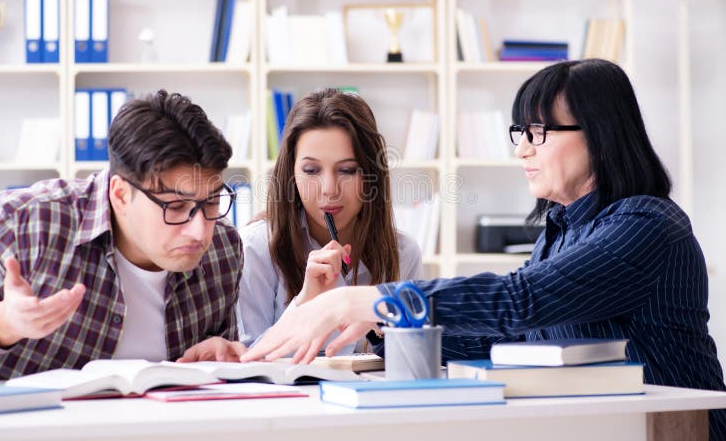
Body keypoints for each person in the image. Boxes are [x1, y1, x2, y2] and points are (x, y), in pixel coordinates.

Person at [242, 60, 726, 438]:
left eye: (538, 134)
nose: (521, 150)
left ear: (599, 136)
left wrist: (364, 300)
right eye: (520, 134)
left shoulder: (646, 226)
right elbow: (509, 343)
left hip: (673, 432)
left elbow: (519, 301)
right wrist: (377, 331)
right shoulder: (562, 230)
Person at [0, 90, 247, 381]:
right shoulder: (21, 225)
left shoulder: (223, 249)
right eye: (176, 206)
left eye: (212, 201)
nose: (200, 230)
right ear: (120, 194)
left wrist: (219, 357)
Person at [237, 88, 422, 353]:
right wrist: (305, 301)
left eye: (347, 170)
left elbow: (410, 359)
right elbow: (246, 363)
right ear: (291, 174)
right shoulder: (256, 247)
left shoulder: (403, 253)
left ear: (371, 177)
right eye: (311, 170)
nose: (329, 189)